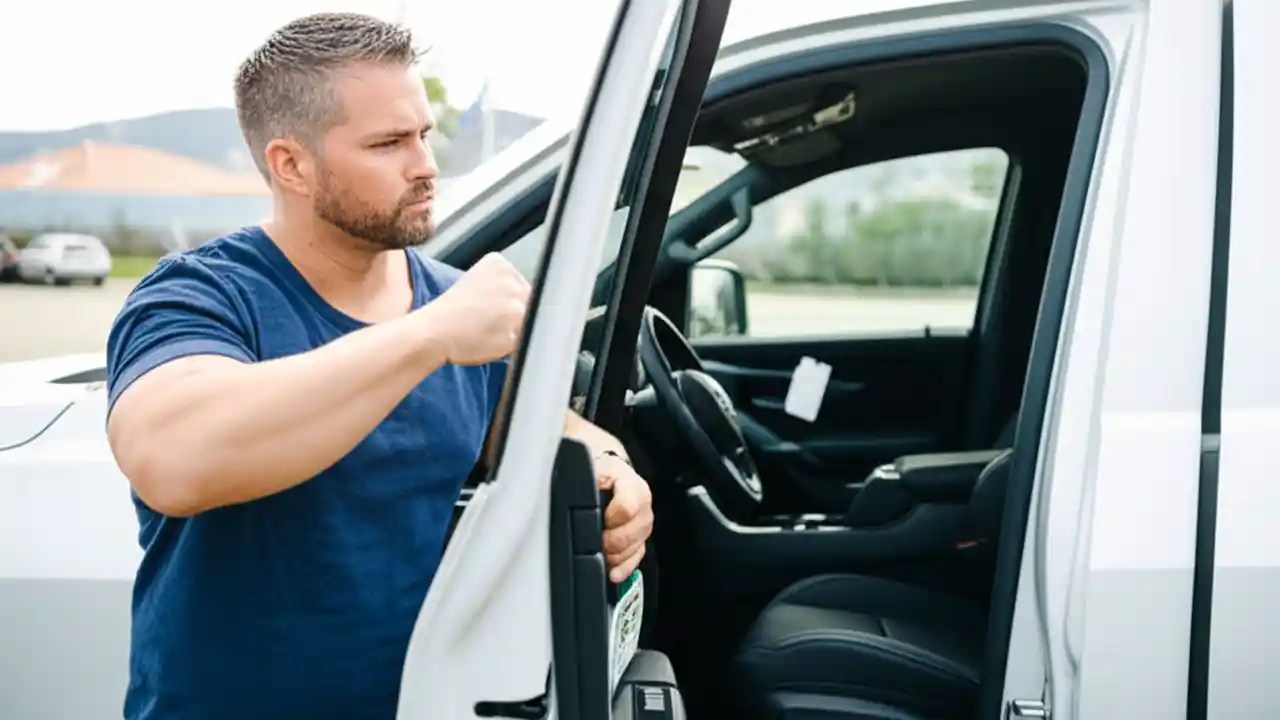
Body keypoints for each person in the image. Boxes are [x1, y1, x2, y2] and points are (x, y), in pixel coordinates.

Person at [104, 12, 653, 719]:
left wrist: (611, 466)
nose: (425, 164)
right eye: (388, 143)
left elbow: (537, 425)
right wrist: (427, 337)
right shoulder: (203, 293)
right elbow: (171, 458)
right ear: (290, 164)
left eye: (424, 134)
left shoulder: (455, 306)